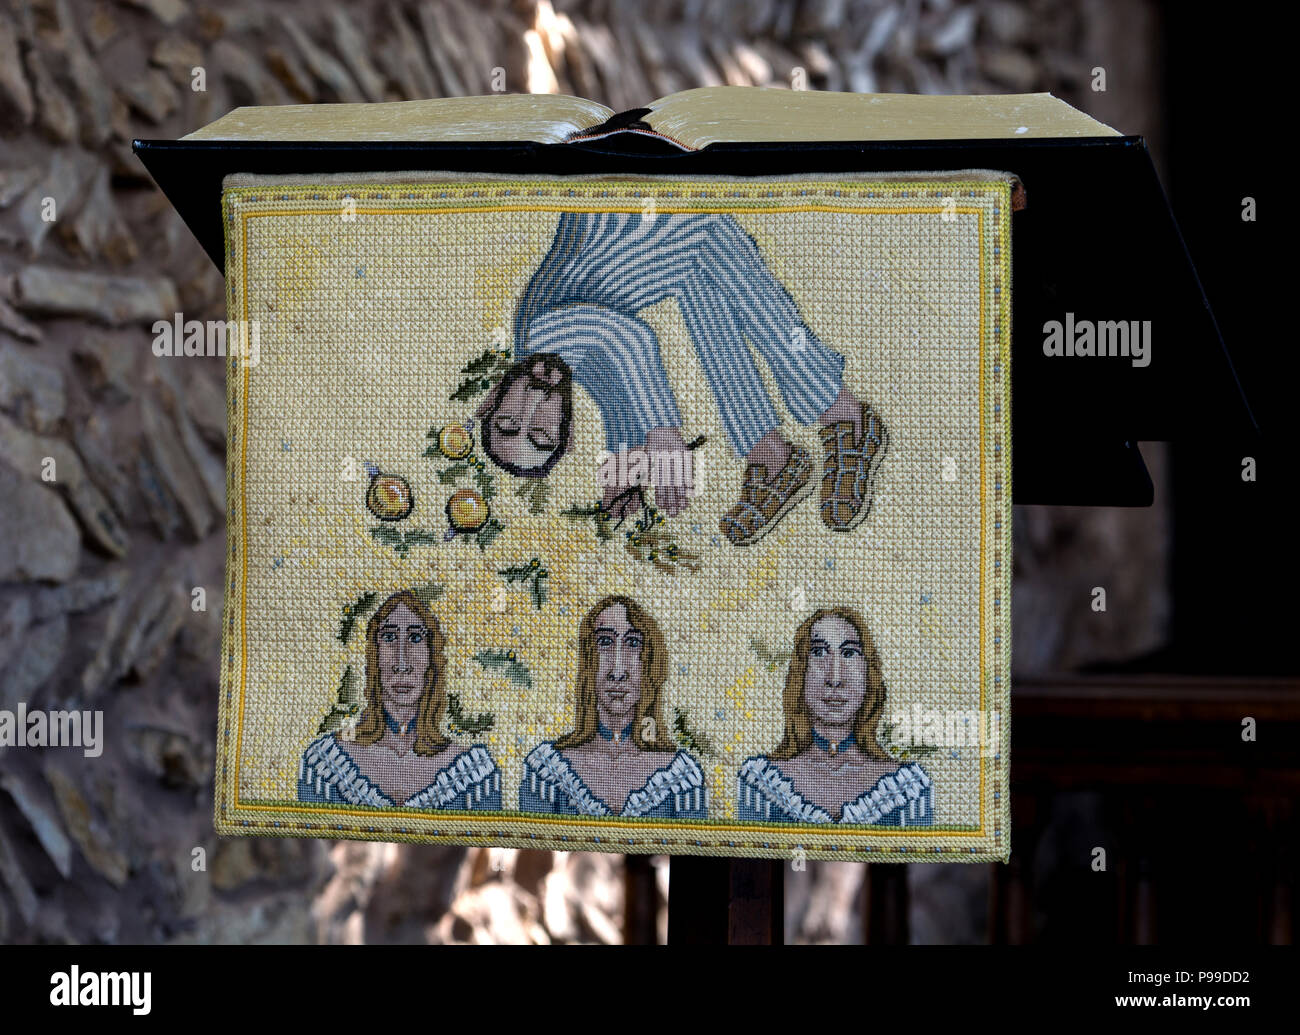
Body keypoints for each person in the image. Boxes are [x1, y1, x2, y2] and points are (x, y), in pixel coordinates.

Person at [477, 211, 888, 545]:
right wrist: (626, 464)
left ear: (492, 398)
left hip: (660, 217)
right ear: (565, 437)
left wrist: (664, 434)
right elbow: (618, 397)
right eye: (541, 435)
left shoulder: (537, 336)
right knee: (703, 297)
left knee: (733, 274)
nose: (534, 405)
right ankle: (770, 454)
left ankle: (844, 414)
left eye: (509, 423)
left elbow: (632, 340)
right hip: (671, 253)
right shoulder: (566, 363)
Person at [298, 590, 501, 810]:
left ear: (432, 658)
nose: (401, 663)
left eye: (415, 638)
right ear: (373, 656)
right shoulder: (325, 765)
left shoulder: (474, 774)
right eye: (389, 638)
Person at [736, 607, 932, 825]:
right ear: (800, 673)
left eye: (849, 654)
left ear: (868, 673)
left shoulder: (908, 789)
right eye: (819, 652)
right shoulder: (760, 783)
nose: (835, 678)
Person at [519, 595, 707, 818]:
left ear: (649, 663)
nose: (617, 671)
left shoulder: (681, 777)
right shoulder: (546, 771)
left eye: (633, 644)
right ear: (589, 659)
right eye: (605, 642)